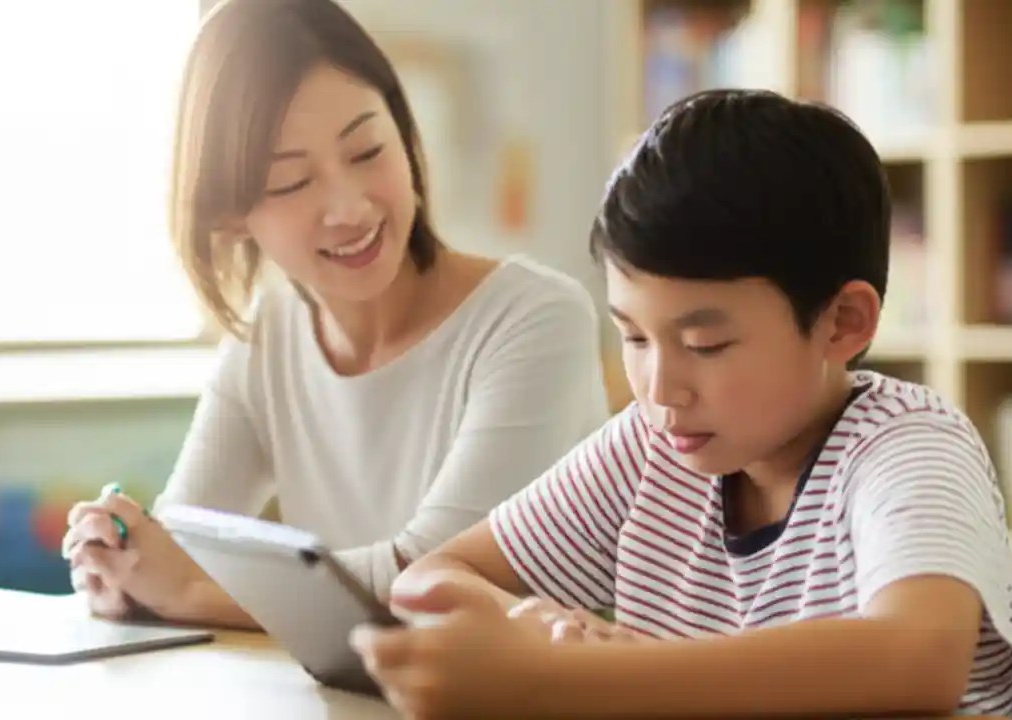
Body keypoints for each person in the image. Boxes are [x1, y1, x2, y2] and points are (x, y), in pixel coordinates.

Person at [352, 89, 1012, 719]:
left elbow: (917, 657)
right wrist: (541, 632)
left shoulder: (910, 444)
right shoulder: (654, 446)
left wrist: (565, 676)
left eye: (705, 344)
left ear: (842, 322)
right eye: (633, 336)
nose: (658, 387)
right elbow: (435, 576)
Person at [59, 0, 607, 630]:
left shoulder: (536, 320)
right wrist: (121, 559)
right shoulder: (268, 333)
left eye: (368, 150)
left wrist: (183, 593)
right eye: (292, 184)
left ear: (403, 136)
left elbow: (436, 583)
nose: (348, 208)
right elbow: (184, 544)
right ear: (230, 213)